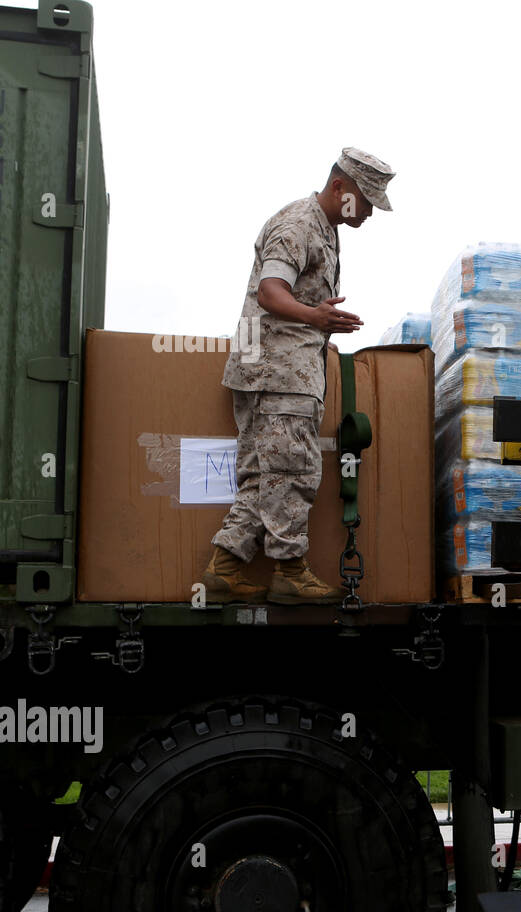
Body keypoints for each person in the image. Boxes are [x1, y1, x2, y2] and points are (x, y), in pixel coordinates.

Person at [202, 148, 394, 605]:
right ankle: (289, 570)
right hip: (278, 374)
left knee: (264, 476)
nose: (368, 212)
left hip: (274, 366)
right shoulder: (300, 224)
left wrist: (315, 329)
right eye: (365, 200)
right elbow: (271, 292)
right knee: (293, 469)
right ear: (339, 188)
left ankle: (223, 570)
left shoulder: (324, 230)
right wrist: (316, 319)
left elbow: (286, 306)